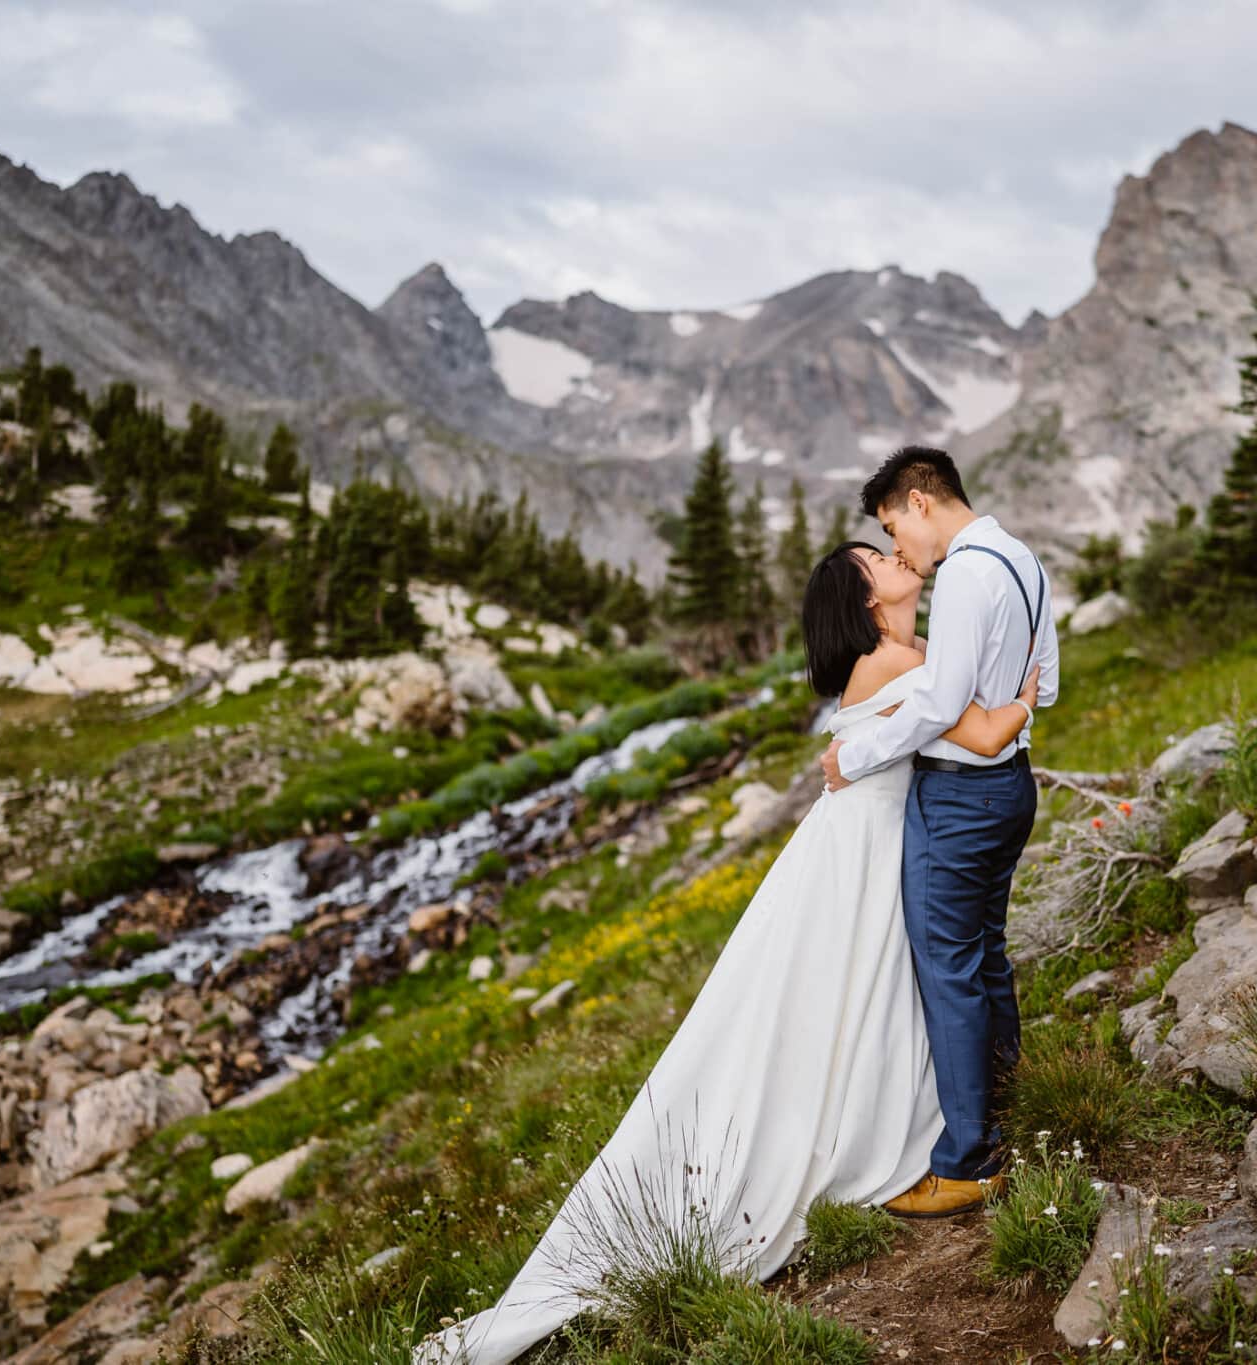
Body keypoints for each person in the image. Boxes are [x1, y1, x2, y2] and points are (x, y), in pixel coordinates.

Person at [413, 536, 1039, 1364]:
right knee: (838, 993)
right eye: (877, 558)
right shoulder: (890, 662)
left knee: (876, 991)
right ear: (862, 597)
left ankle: (932, 1108)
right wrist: (1027, 698)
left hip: (885, 838)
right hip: (859, 849)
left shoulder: (912, 650)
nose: (898, 557)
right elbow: (979, 727)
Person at [820, 445, 1057, 1217]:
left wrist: (853, 755)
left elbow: (939, 702)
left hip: (959, 801)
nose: (899, 547)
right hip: (1012, 788)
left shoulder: (961, 572)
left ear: (919, 502)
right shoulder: (1021, 557)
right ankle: (1007, 1097)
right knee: (985, 952)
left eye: (892, 525)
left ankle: (967, 1159)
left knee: (948, 970)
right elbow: (1042, 678)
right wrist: (1010, 720)